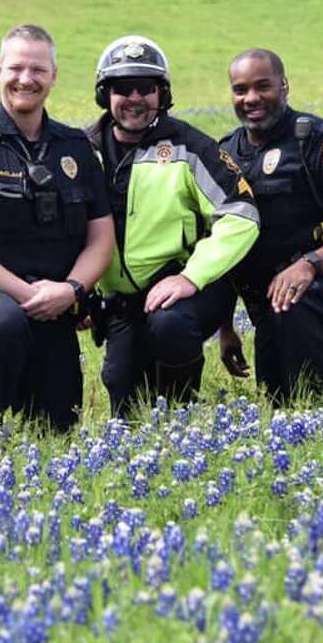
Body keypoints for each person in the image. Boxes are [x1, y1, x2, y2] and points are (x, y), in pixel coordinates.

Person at [0, 24, 114, 432]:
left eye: (38, 69)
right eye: (15, 68)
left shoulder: (76, 147)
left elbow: (101, 239)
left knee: (56, 427)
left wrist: (71, 290)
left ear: (53, 76)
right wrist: (29, 295)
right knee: (3, 322)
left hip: (53, 300)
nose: (25, 79)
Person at [85, 35, 259, 417]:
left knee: (169, 326)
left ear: (162, 93)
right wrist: (79, 289)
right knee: (124, 395)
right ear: (104, 94)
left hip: (187, 288)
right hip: (122, 300)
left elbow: (241, 213)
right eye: (122, 87)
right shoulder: (82, 151)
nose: (135, 98)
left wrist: (191, 277)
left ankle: (181, 412)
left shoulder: (191, 147)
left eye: (146, 87)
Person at [218, 49, 323, 403]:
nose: (251, 98)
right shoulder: (226, 154)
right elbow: (220, 246)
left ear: (284, 86)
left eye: (263, 86)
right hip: (269, 296)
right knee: (277, 397)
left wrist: (309, 264)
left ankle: (322, 407)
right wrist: (226, 327)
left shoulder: (319, 141)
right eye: (240, 89)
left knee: (302, 382)